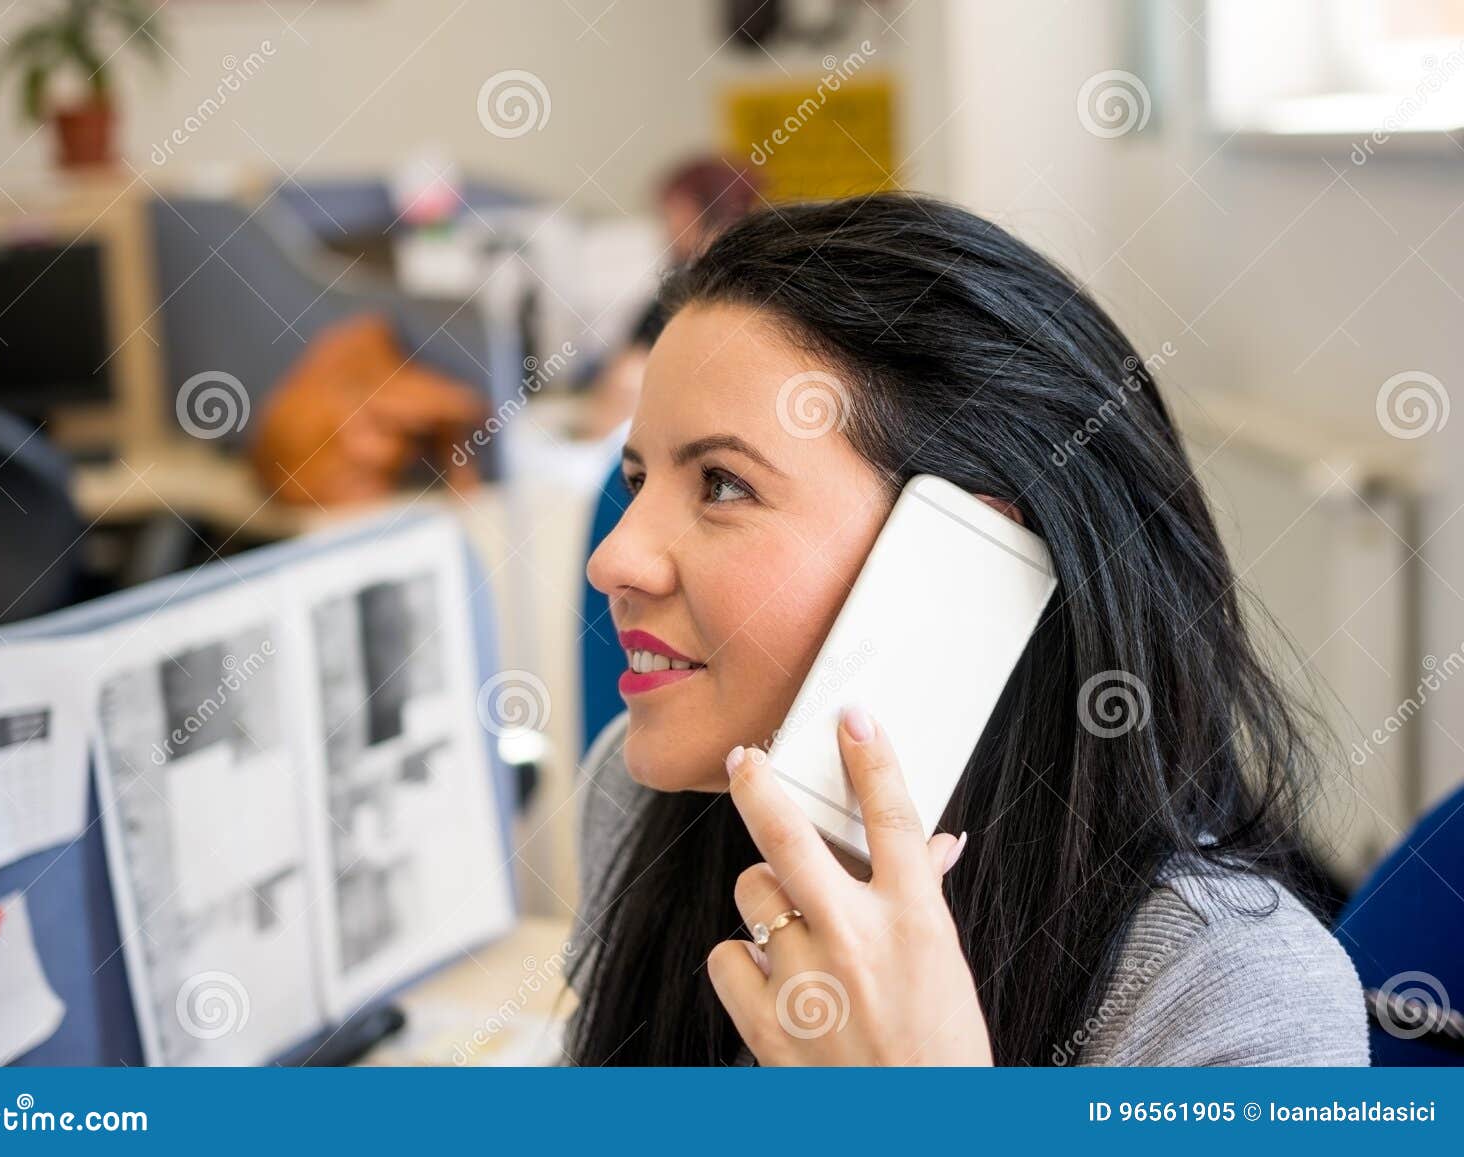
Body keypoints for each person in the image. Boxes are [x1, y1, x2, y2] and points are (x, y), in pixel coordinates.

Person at [565, 193, 1370, 1067]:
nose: (613, 558)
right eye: (637, 479)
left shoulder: (1234, 992)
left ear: (970, 560)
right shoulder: (630, 799)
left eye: (723, 484)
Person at [579, 156, 762, 440]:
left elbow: (628, 376)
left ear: (690, 212)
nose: (665, 230)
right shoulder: (758, 282)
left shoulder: (689, 290)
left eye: (668, 215)